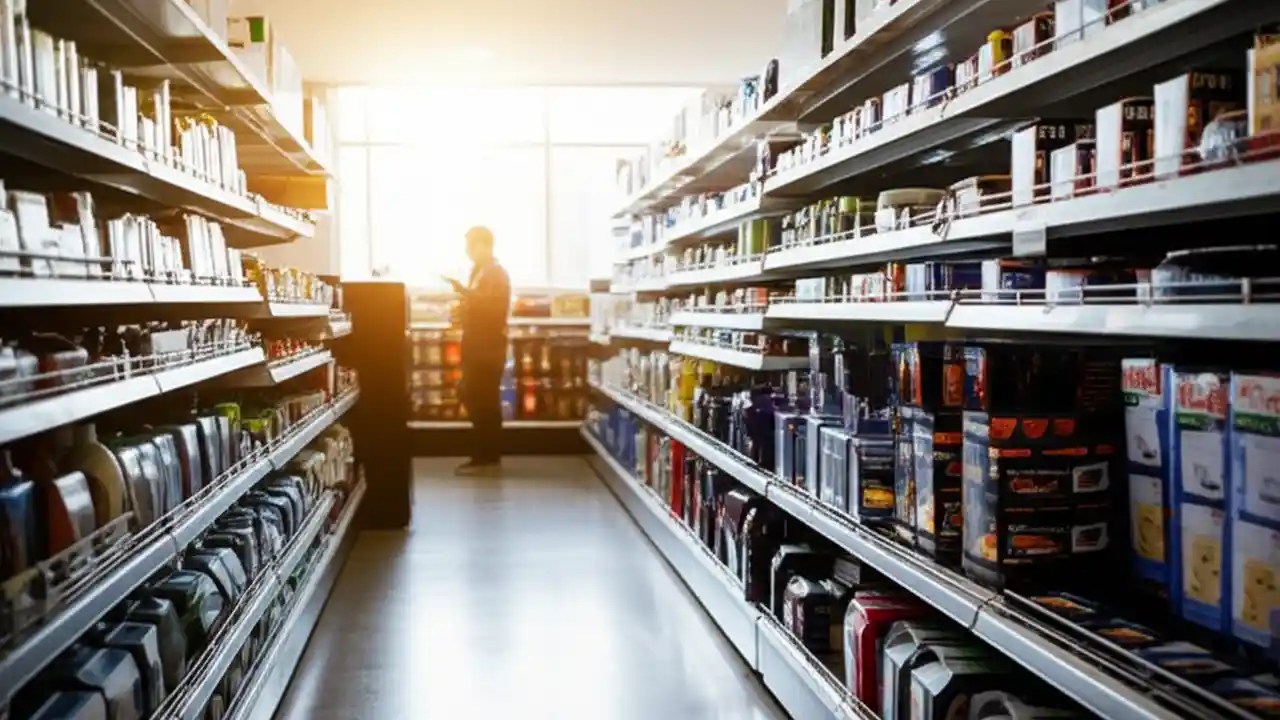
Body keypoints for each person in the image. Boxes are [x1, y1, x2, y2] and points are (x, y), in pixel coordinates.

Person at [443, 226, 511, 475]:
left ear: (485, 245)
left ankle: (486, 457)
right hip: (476, 345)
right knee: (475, 396)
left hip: (487, 348)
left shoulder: (496, 273)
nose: (468, 251)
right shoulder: (480, 272)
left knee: (484, 400)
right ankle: (485, 455)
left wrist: (464, 292)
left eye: (472, 245)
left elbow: (490, 307)